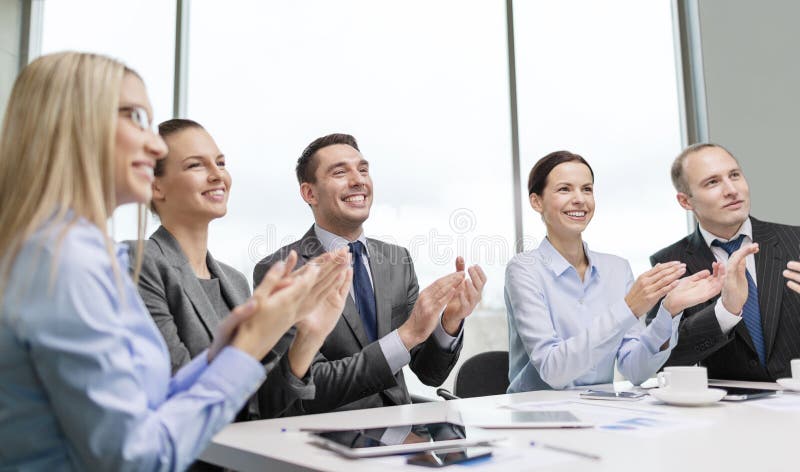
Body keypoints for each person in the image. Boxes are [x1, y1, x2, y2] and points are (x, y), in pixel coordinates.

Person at [0, 52, 348, 471]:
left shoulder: (85, 253)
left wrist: (236, 348)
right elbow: (137, 456)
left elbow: (152, 405)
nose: (154, 146)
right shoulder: (64, 262)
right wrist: (250, 344)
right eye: (134, 117)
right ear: (72, 124)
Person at [253, 133, 486, 414]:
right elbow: (307, 388)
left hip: (402, 429)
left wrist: (449, 322)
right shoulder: (281, 271)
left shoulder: (397, 260)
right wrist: (405, 335)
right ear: (309, 193)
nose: (358, 180)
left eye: (363, 170)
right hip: (330, 432)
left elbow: (429, 374)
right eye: (340, 172)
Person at [136, 119, 349, 419]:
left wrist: (309, 335)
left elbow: (258, 406)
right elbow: (180, 395)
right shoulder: (141, 263)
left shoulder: (234, 282)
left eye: (220, 163)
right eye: (196, 165)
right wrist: (264, 327)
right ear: (155, 186)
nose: (217, 175)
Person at [505, 150, 722, 392]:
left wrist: (669, 312)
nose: (580, 199)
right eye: (564, 189)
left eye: (587, 189)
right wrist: (628, 308)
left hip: (598, 409)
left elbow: (635, 370)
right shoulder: (524, 270)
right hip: (536, 410)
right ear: (537, 202)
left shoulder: (617, 269)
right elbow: (553, 370)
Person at [648, 143, 800, 381]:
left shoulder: (796, 241)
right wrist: (725, 312)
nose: (731, 190)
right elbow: (661, 361)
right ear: (685, 201)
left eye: (734, 175)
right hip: (726, 403)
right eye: (712, 182)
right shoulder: (670, 263)